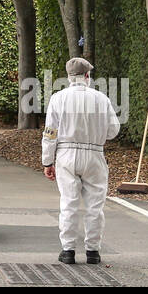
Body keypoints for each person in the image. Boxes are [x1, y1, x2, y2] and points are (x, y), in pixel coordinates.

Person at [41, 57, 120, 265]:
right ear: (87, 76)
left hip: (66, 154)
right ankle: (93, 251)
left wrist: (47, 161)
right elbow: (113, 130)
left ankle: (68, 250)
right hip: (94, 153)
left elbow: (50, 133)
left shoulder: (58, 99)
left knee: (69, 203)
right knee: (95, 205)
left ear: (68, 76)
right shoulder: (101, 98)